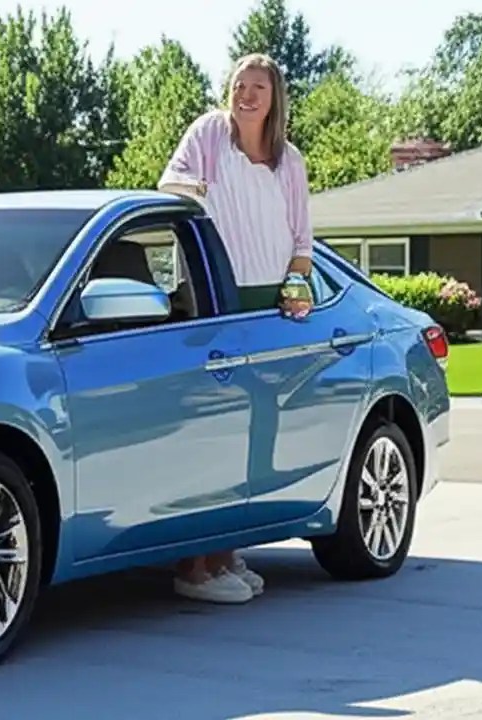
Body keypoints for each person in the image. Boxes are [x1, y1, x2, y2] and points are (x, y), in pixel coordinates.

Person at [157, 53, 314, 604]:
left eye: (257, 88)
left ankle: (225, 553)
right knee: (216, 433)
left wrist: (295, 288)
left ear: (274, 99)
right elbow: (172, 188)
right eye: (239, 85)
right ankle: (194, 567)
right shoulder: (208, 134)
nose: (246, 95)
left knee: (257, 436)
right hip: (213, 300)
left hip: (266, 306)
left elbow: (301, 239)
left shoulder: (289, 160)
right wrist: (201, 192)